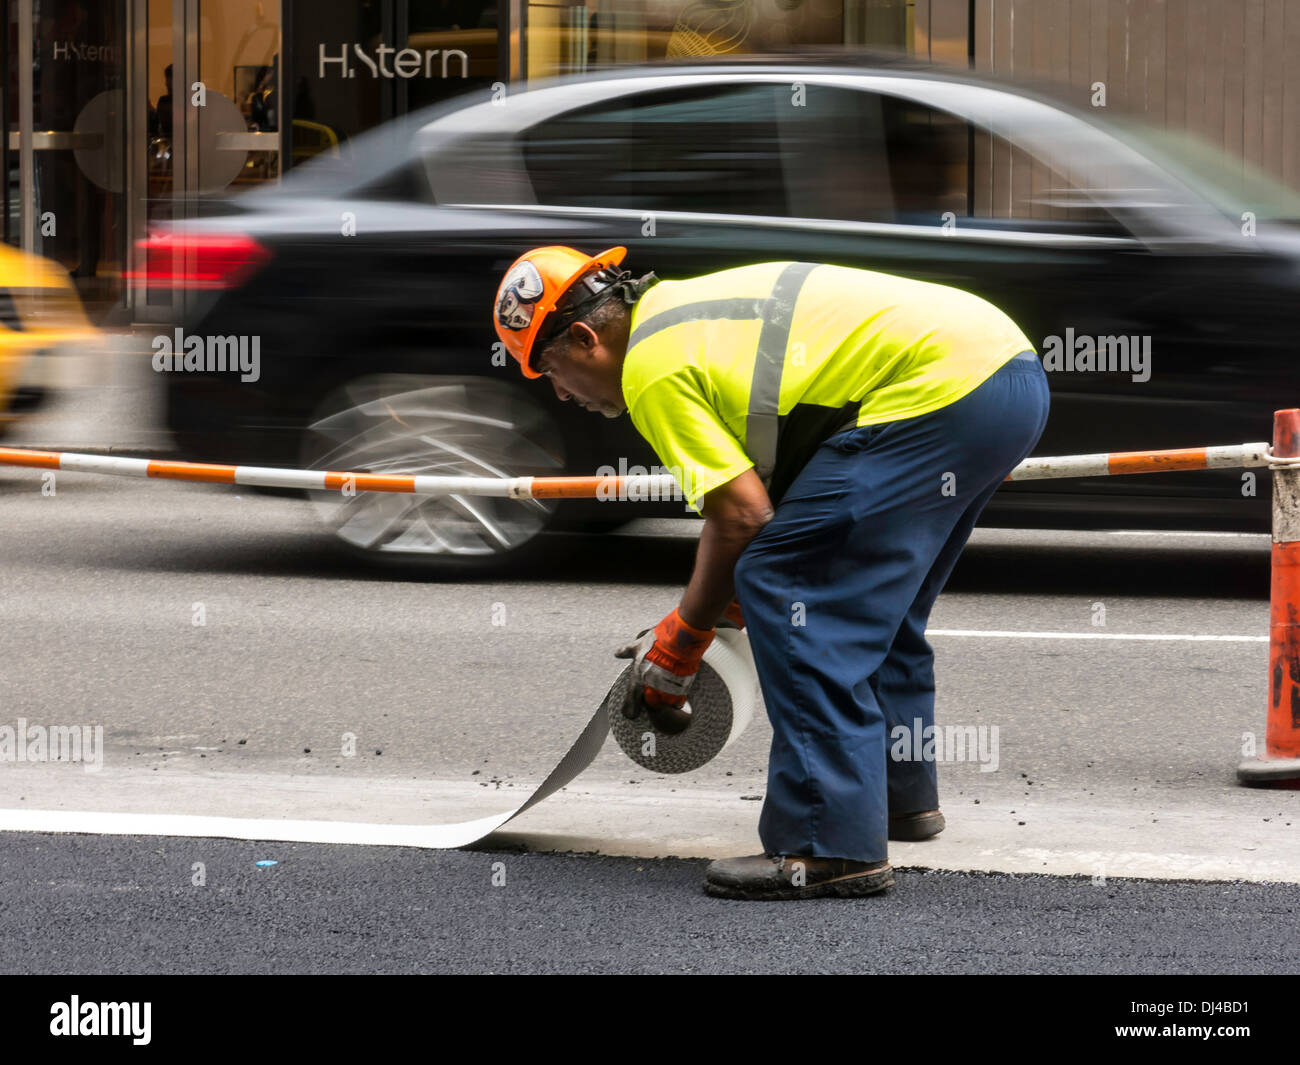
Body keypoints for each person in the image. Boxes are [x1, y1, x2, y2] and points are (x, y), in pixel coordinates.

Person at [492, 246, 1050, 900]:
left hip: (938, 390)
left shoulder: (651, 367)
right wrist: (711, 609)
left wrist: (682, 640)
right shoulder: (683, 312)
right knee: (872, 603)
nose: (559, 393)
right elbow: (770, 500)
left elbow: (743, 519)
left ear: (585, 337)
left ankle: (828, 844)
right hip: (1004, 375)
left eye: (551, 369)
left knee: (787, 584)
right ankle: (900, 796)